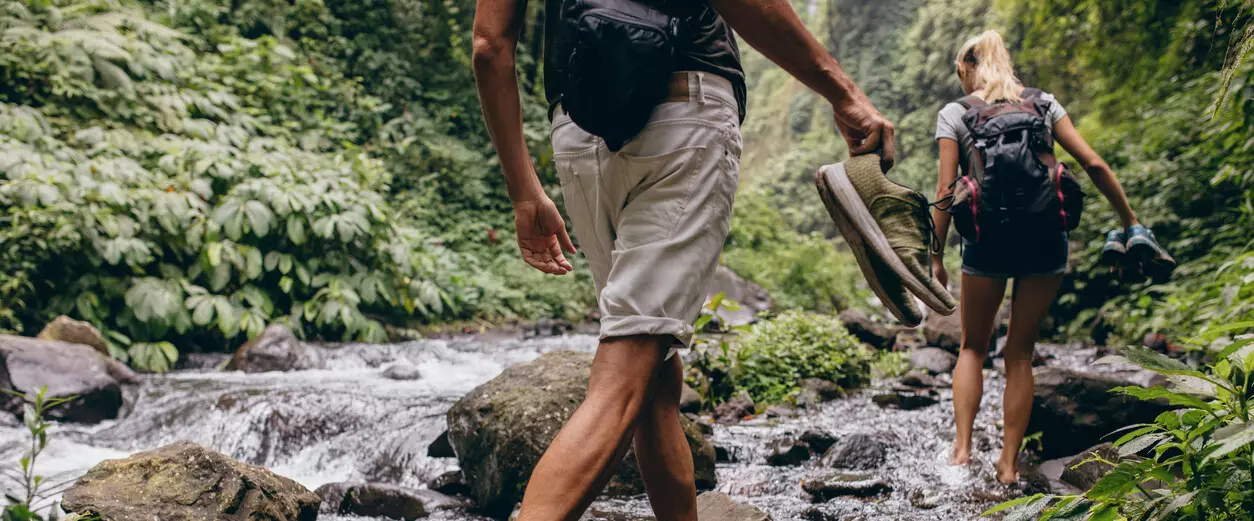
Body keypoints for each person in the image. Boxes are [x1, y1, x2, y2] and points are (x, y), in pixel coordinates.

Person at [472, 0, 895, 519]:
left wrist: (523, 190)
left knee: (655, 379)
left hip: (579, 127)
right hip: (682, 110)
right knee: (627, 372)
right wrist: (844, 93)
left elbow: (490, 46)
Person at [929, 30, 1152, 484]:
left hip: (986, 240)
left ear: (967, 69)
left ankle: (961, 454)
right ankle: (1008, 465)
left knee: (972, 347)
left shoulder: (956, 112)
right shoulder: (1044, 104)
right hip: (1046, 239)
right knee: (1020, 355)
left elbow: (945, 193)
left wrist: (935, 257)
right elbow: (1094, 164)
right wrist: (1130, 222)